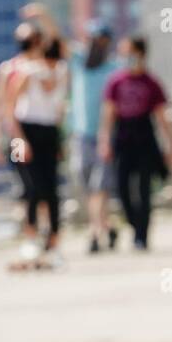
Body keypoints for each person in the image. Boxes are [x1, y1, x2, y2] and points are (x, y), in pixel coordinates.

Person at [97, 36, 172, 251]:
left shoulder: (151, 83)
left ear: (141, 54)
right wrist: (104, 140)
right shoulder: (115, 81)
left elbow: (162, 117)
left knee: (143, 190)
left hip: (144, 138)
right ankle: (134, 224)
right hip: (122, 137)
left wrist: (170, 147)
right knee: (122, 189)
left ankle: (142, 236)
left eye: (129, 52)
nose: (125, 57)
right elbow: (108, 114)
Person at [7, 35, 68, 269]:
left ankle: (53, 240)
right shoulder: (28, 72)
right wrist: (20, 140)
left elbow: (60, 107)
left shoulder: (62, 72)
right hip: (27, 131)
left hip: (50, 131)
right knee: (32, 188)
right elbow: (10, 106)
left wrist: (59, 140)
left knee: (52, 190)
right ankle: (31, 237)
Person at [0, 22, 45, 255]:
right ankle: (31, 233)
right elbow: (0, 106)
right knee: (29, 185)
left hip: (41, 134)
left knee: (42, 185)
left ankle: (41, 231)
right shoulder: (8, 68)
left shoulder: (44, 67)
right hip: (16, 137)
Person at [69, 20, 121, 254]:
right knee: (89, 186)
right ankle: (107, 226)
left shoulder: (114, 69)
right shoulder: (78, 62)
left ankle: (94, 233)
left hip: (104, 136)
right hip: (80, 135)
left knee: (100, 186)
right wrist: (43, 15)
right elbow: (57, 41)